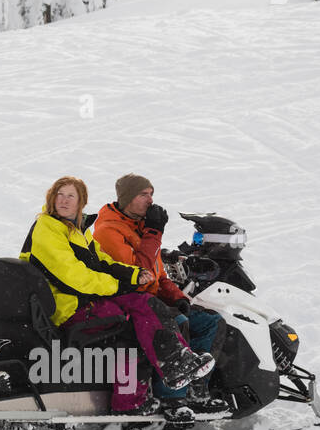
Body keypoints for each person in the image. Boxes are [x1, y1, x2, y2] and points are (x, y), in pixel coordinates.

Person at [19, 176, 214, 414]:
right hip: (65, 307)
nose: (64, 200)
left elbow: (105, 262)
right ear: (51, 198)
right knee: (138, 315)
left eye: (71, 195)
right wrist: (119, 287)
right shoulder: (48, 228)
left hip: (82, 302)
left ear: (81, 202)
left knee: (139, 318)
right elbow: (75, 277)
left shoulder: (76, 231)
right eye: (59, 194)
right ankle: (152, 385)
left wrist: (134, 276)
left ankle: (158, 379)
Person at [91, 174, 228, 415]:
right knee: (179, 323)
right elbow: (139, 276)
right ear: (127, 199)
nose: (150, 200)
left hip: (152, 299)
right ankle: (171, 399)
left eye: (151, 194)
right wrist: (154, 233)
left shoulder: (141, 227)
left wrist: (178, 298)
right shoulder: (108, 230)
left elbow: (159, 275)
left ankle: (196, 389)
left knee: (210, 322)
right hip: (128, 301)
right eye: (143, 194)